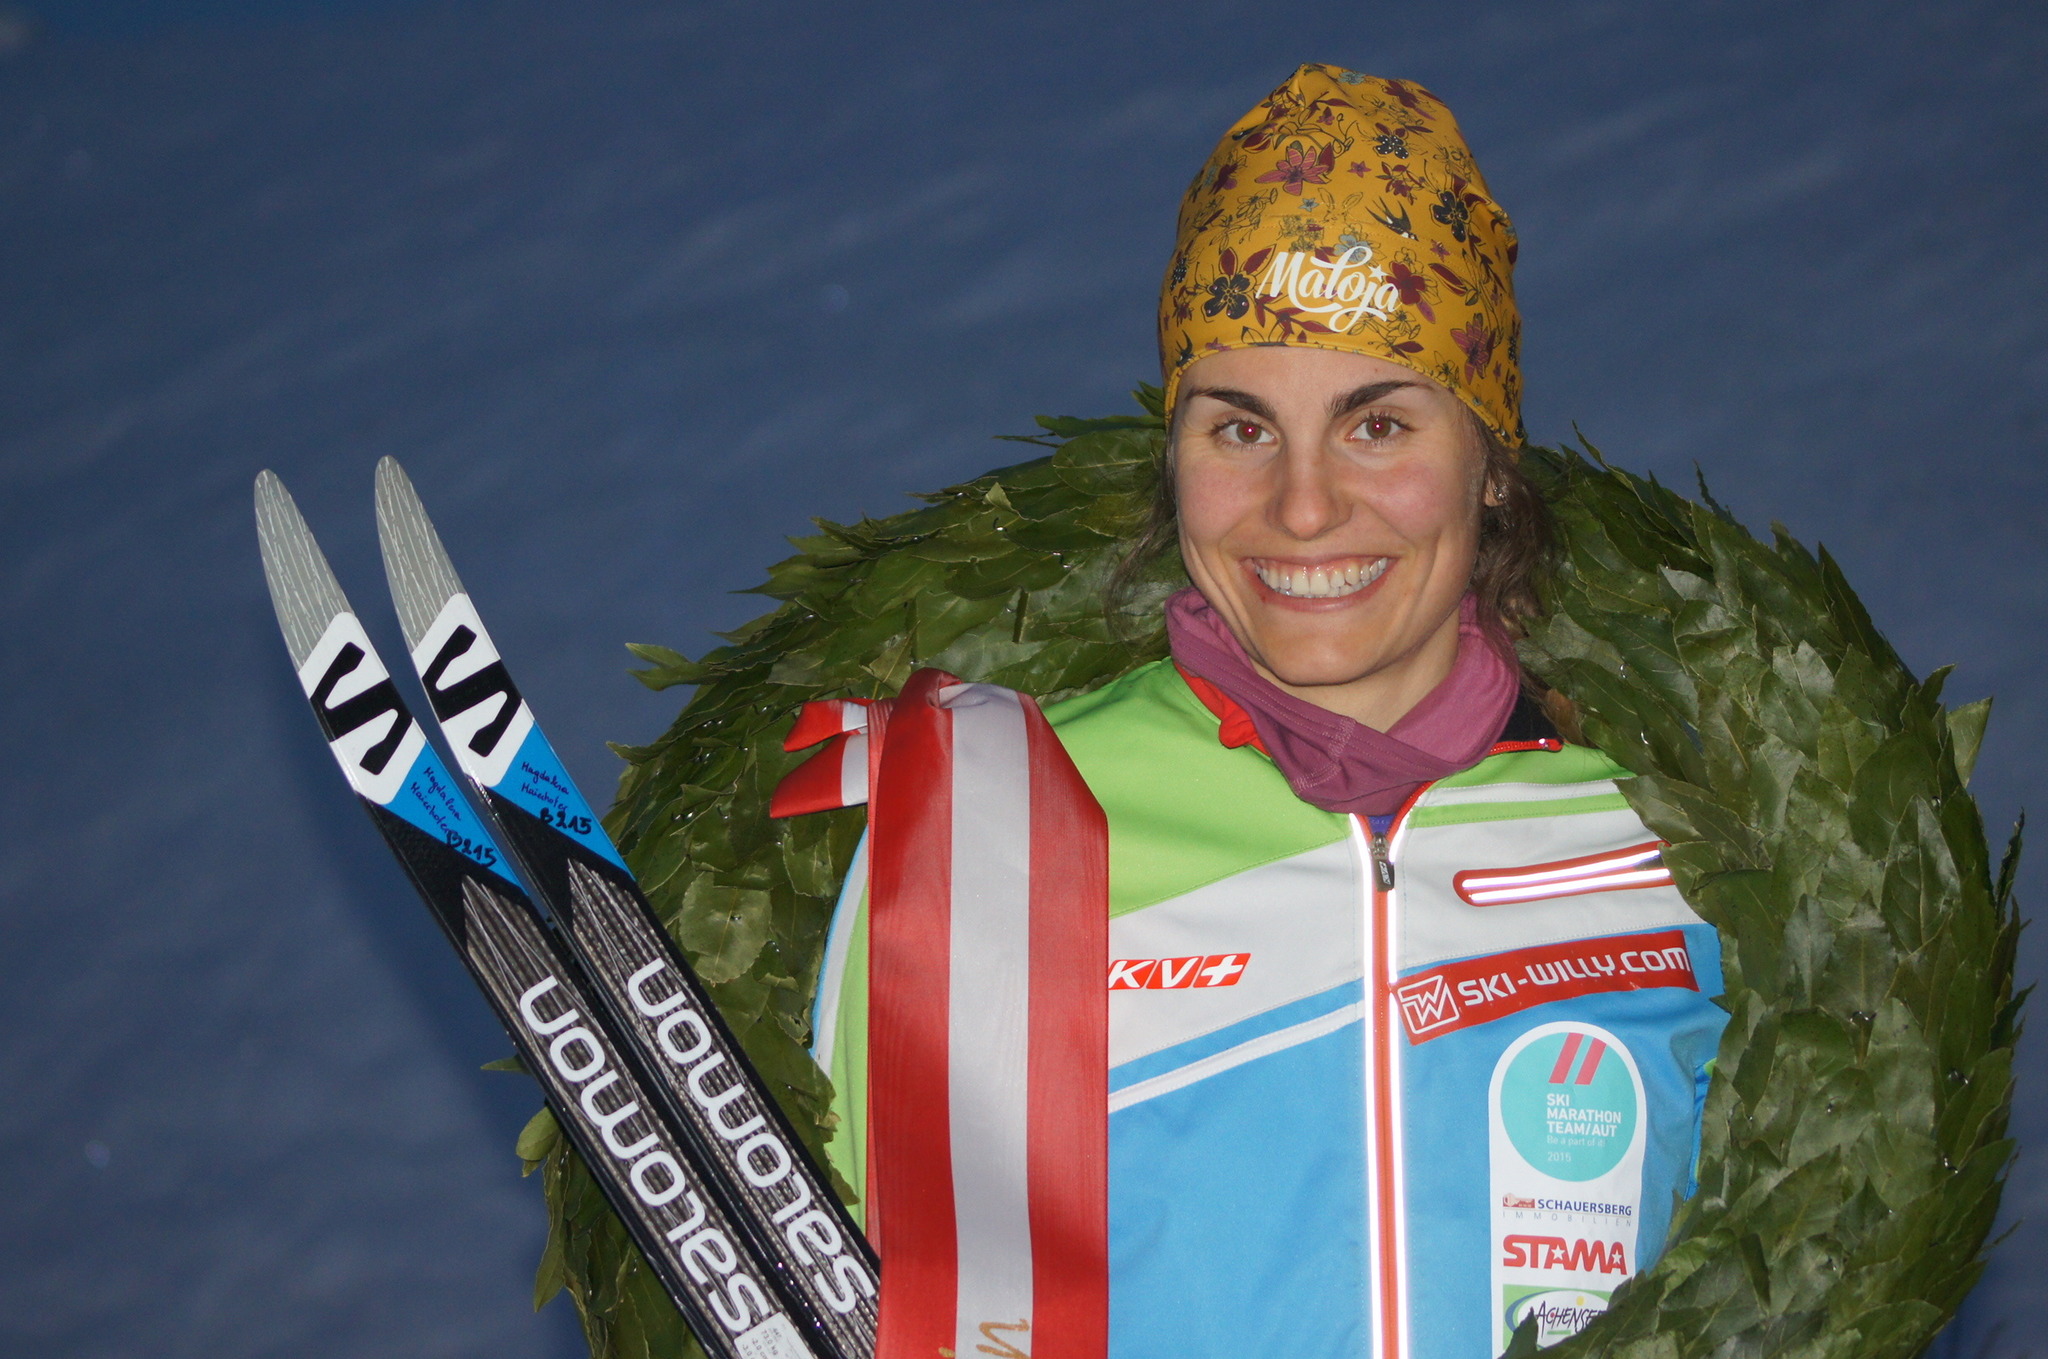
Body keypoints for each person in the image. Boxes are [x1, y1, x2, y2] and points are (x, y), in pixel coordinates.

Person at [801, 65, 1727, 1359]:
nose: (1302, 509)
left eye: (1378, 424)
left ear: (1491, 467)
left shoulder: (1682, 842)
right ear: (1173, 455)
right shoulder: (993, 829)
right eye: (1240, 429)